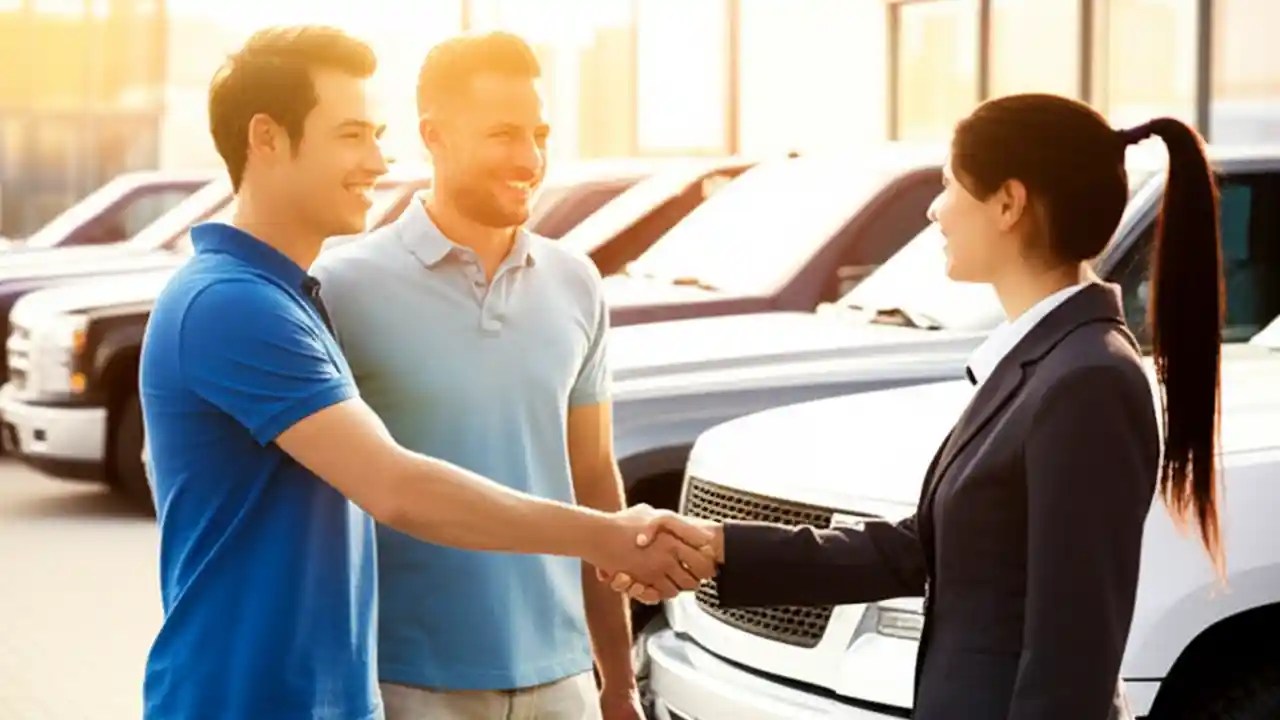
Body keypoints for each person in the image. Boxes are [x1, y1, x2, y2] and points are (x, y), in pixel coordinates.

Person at [138, 26, 714, 720]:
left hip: (337, 697)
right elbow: (396, 487)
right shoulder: (235, 303)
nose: (379, 161)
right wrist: (610, 536)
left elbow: (586, 469)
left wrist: (615, 677)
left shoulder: (289, 297)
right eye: (352, 135)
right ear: (266, 138)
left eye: (376, 134)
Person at [614, 94, 1226, 720]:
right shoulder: (1046, 361)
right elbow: (923, 551)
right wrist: (721, 547)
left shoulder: (1087, 380)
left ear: (1009, 204)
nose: (936, 210)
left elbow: (1071, 659)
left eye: (949, 185)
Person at [309, 31, 645, 720]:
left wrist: (618, 680)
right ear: (434, 135)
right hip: (403, 682)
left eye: (539, 134)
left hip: (563, 681)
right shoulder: (343, 287)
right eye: (502, 134)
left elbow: (593, 479)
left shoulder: (576, 282)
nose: (529, 158)